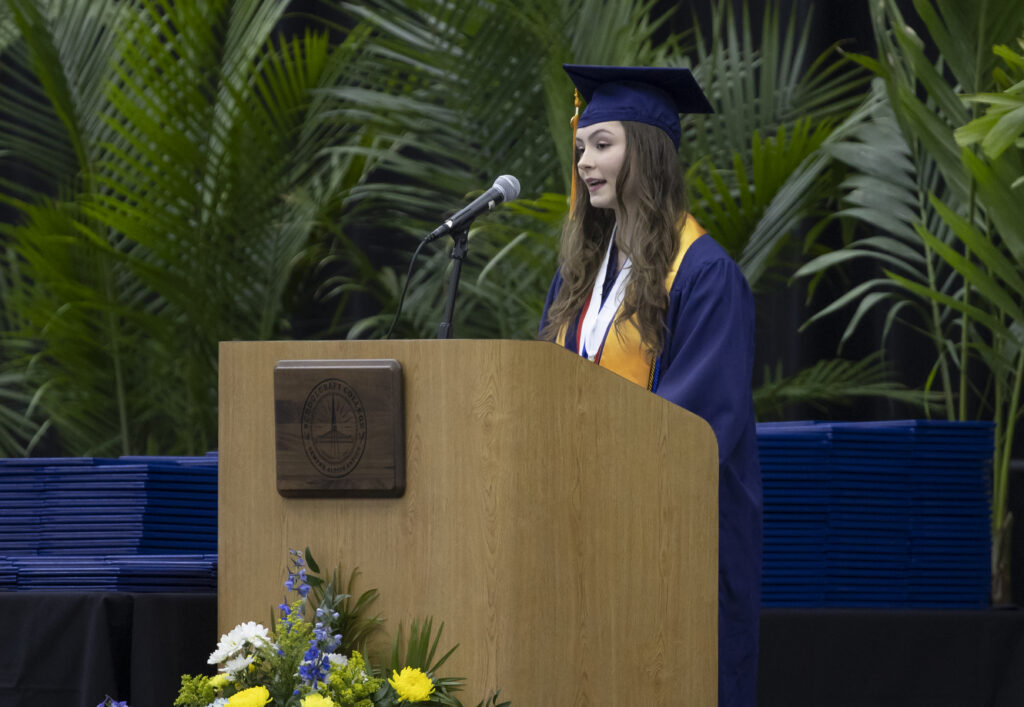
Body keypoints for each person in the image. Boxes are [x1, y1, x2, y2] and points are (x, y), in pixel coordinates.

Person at [539, 64, 762, 707]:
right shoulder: (579, 276)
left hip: (675, 543)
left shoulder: (706, 275)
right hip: (583, 535)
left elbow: (694, 429)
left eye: (602, 144)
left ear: (649, 151)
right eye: (582, 146)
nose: (585, 161)